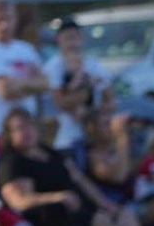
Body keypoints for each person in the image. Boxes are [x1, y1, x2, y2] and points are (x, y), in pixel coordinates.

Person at [0, 0, 50, 196]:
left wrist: (15, 82)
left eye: (9, 18)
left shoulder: (25, 49)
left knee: (26, 185)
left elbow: (46, 84)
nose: (5, 25)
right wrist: (30, 82)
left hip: (25, 136)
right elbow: (4, 91)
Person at [43, 19, 111, 152]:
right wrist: (88, 90)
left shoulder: (93, 65)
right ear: (58, 40)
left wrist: (93, 114)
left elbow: (110, 100)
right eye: (67, 38)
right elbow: (60, 103)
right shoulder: (52, 68)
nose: (72, 43)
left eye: (75, 37)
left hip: (93, 137)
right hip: (65, 140)